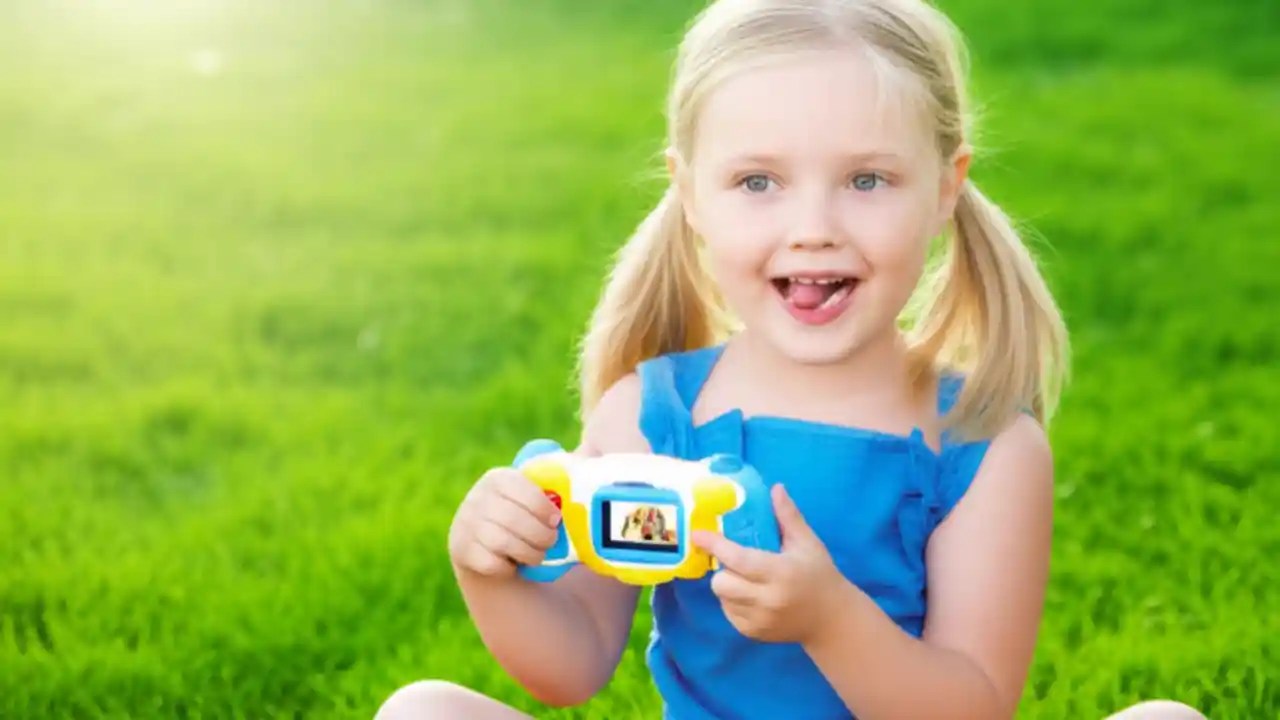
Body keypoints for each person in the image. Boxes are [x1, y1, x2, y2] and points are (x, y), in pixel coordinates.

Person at [375, 0, 1206, 717]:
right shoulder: (651, 417)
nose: (815, 226)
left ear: (946, 188)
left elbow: (974, 704)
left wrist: (829, 621)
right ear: (691, 194)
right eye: (758, 183)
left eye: (868, 180)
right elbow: (575, 662)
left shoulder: (982, 445)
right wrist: (488, 571)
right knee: (421, 711)